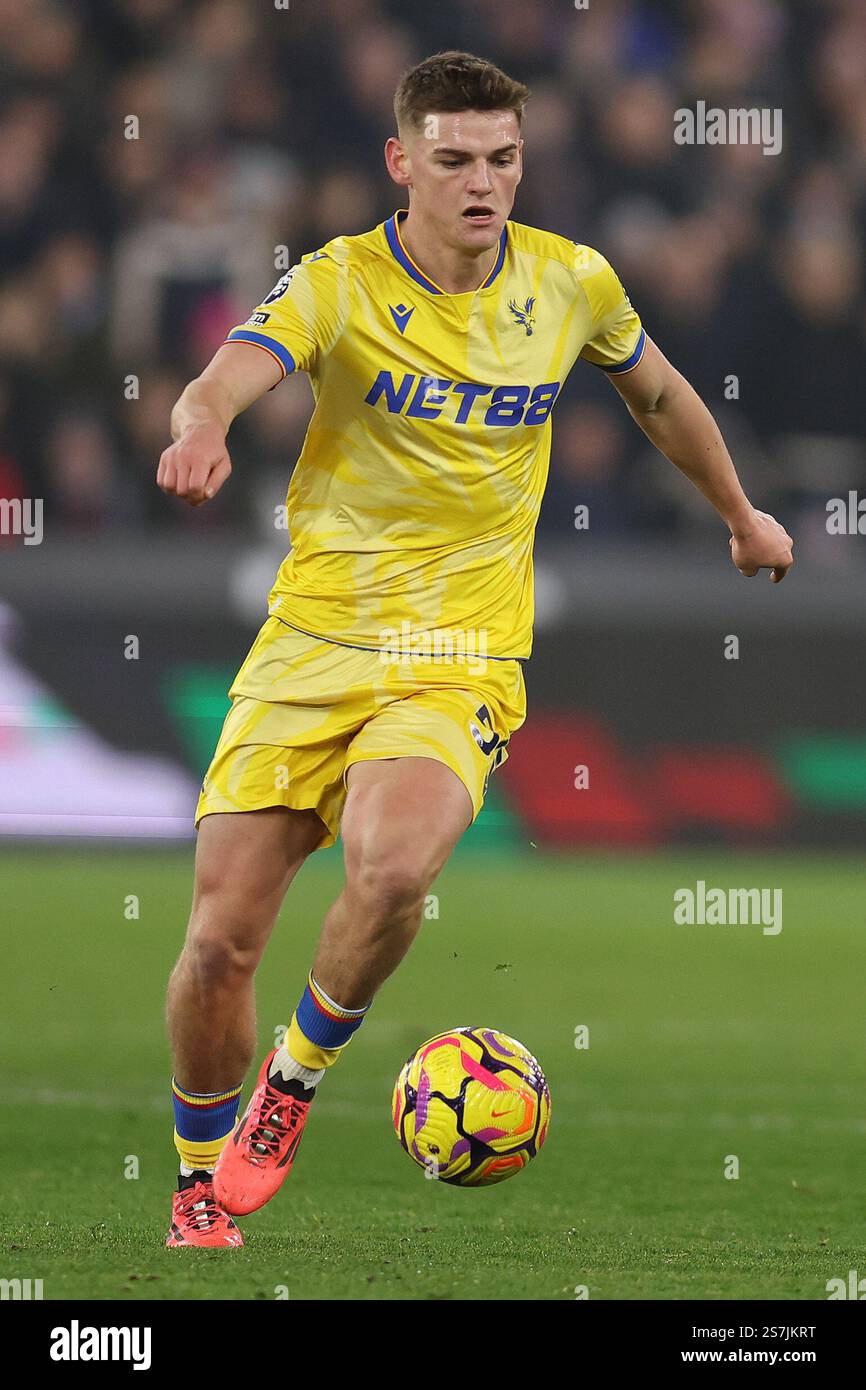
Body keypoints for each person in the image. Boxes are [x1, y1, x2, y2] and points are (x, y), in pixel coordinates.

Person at [157, 51, 793, 1247]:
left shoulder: (570, 284)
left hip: (459, 649)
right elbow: (225, 374)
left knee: (392, 869)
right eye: (453, 160)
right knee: (217, 940)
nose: (482, 182)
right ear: (401, 163)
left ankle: (288, 1087)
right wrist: (199, 425)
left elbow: (657, 396)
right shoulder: (339, 283)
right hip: (311, 644)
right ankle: (197, 1181)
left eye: (501, 159)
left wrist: (739, 512)